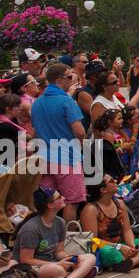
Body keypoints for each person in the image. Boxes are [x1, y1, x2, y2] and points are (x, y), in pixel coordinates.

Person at [30, 63, 86, 221]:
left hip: (44, 159)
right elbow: (80, 131)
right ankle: (67, 239)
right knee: (72, 201)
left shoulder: (37, 103)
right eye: (69, 77)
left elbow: (34, 132)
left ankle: (49, 236)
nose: (71, 80)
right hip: (66, 158)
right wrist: (80, 146)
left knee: (49, 202)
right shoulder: (66, 101)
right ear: (59, 80)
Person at [14, 189, 98, 278]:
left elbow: (59, 251)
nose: (63, 198)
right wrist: (57, 264)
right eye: (59, 197)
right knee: (54, 269)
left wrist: (70, 258)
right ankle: (81, 273)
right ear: (50, 205)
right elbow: (26, 260)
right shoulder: (31, 229)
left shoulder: (60, 222)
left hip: (54, 263)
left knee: (90, 257)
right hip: (32, 269)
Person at [80, 174, 139, 271]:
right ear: (103, 190)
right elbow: (93, 240)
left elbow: (127, 230)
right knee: (108, 252)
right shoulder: (90, 209)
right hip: (105, 248)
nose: (116, 181)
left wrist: (132, 246)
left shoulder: (119, 203)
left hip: (122, 245)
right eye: (112, 181)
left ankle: (131, 262)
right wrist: (119, 247)